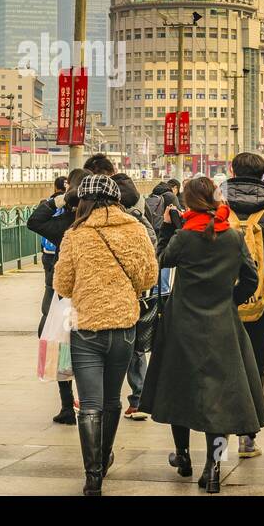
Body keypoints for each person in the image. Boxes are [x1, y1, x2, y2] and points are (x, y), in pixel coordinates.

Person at [140, 177, 264, 493]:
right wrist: (230, 301)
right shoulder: (233, 236)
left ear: (189, 202)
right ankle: (213, 467)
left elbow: (161, 260)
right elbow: (251, 279)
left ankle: (183, 456)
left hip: (182, 324)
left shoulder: (185, 237)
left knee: (179, 389)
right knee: (221, 398)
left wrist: (169, 227)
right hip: (223, 325)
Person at [54, 174, 157, 495]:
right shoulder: (135, 229)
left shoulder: (75, 235)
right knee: (112, 400)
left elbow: (62, 285)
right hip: (124, 324)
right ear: (117, 199)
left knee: (89, 404)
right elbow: (149, 276)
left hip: (86, 326)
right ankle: (104, 455)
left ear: (82, 201)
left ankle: (93, 475)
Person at [223, 152, 264, 458]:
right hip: (263, 302)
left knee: (222, 365)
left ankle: (218, 437)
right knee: (255, 364)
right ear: (263, 175)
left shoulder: (218, 211)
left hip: (221, 303)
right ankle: (248, 436)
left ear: (231, 171)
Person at [28, 170, 86, 425]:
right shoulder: (99, 220)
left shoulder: (65, 224)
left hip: (67, 298)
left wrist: (56, 200)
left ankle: (66, 407)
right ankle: (90, 404)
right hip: (94, 297)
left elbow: (34, 221)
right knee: (89, 354)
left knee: (64, 350)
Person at [112, 172, 159, 421]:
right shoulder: (141, 217)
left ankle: (101, 400)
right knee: (135, 346)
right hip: (135, 293)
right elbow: (153, 254)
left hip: (107, 296)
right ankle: (138, 398)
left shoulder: (91, 224)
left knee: (101, 348)